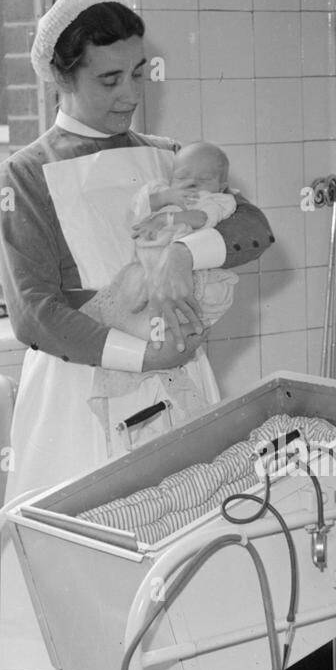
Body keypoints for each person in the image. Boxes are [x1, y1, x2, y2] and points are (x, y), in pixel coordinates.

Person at [0, 0, 275, 670]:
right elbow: (32, 310)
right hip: (83, 397)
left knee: (175, 573)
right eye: (105, 80)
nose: (127, 94)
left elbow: (256, 231)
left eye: (137, 73)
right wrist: (136, 346)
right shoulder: (28, 173)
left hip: (177, 391)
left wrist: (191, 250)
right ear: (62, 79)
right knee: (92, 584)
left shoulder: (169, 157)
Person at [82, 141, 240, 453]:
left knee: (182, 314)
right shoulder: (162, 192)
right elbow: (138, 207)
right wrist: (165, 198)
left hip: (186, 278)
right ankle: (135, 351)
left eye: (205, 179)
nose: (193, 183)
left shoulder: (220, 202)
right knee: (120, 305)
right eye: (183, 176)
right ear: (170, 177)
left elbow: (202, 218)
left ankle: (165, 348)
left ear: (221, 185)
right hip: (145, 270)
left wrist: (167, 219)